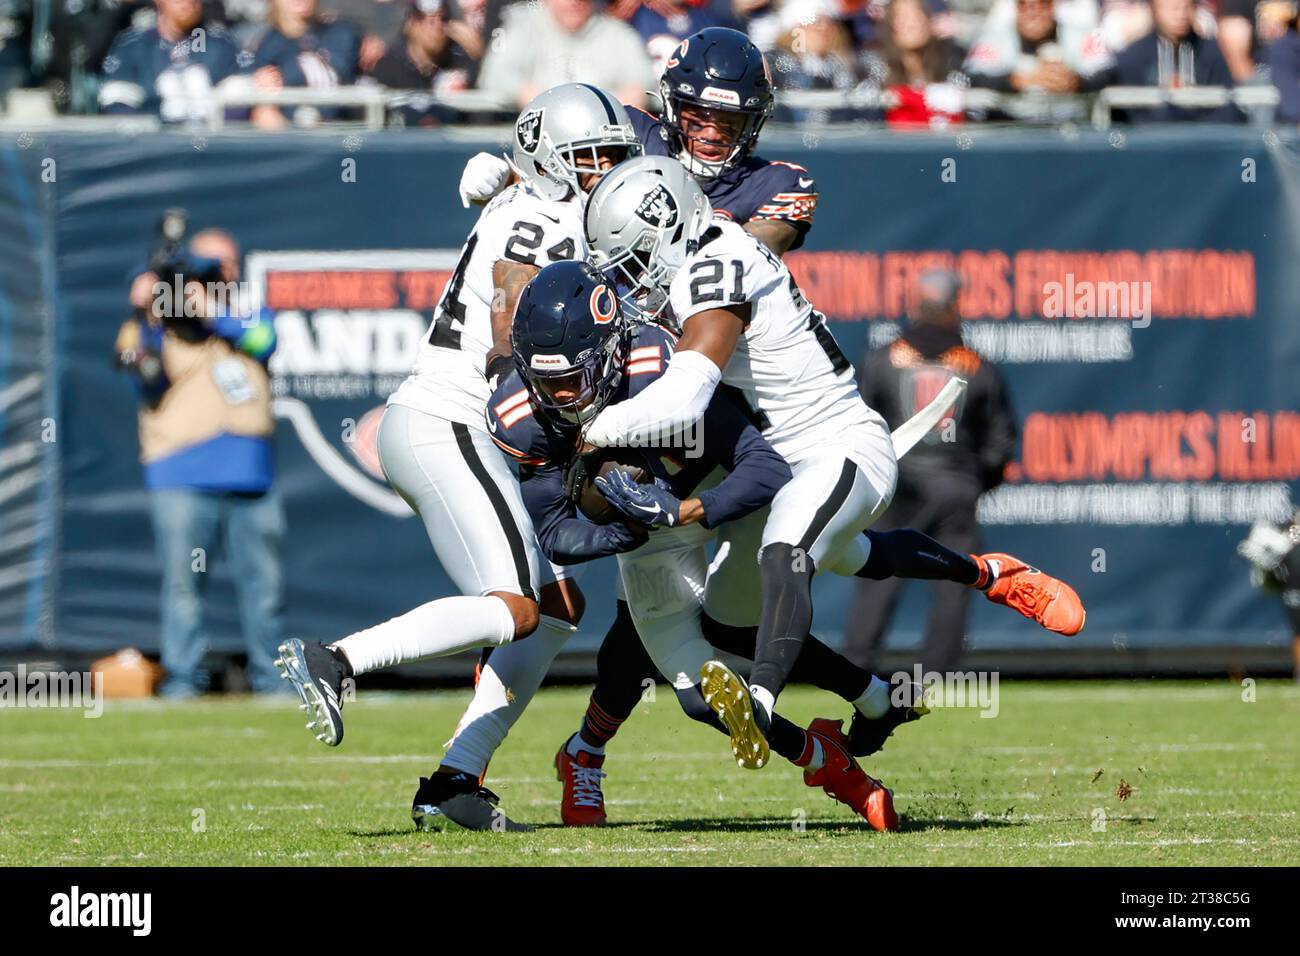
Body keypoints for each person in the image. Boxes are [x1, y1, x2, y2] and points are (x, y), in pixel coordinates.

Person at [580, 155, 1087, 759]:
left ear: (670, 226)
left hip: (839, 447)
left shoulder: (712, 265)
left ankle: (762, 702)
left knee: (786, 550)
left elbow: (688, 393)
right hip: (784, 466)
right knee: (743, 614)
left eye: (637, 257)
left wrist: (591, 427)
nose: (635, 277)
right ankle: (932, 637)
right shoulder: (713, 244)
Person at [274, 84, 644, 832]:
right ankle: (336, 660)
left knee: (556, 607)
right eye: (586, 158)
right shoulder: (541, 220)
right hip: (449, 422)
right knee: (512, 607)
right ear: (546, 163)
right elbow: (520, 327)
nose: (603, 170)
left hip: (451, 426)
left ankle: (455, 781)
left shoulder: (536, 206)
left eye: (611, 154)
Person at [485, 259, 912, 830]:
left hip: (717, 492)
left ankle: (966, 588)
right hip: (653, 540)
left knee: (819, 564)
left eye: (571, 378)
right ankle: (834, 765)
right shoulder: (523, 412)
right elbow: (556, 533)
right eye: (546, 382)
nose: (560, 396)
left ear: (610, 352)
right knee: (700, 690)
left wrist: (686, 508)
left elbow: (763, 468)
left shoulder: (661, 368)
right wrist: (626, 529)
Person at [114, 227, 284, 698]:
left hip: (251, 473)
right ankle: (184, 680)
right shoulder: (156, 320)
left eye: (225, 265)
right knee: (184, 587)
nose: (216, 274)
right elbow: (140, 377)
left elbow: (265, 341)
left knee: (264, 588)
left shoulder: (246, 309)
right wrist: (146, 302)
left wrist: (214, 314)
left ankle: (272, 679)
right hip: (181, 471)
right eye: (205, 265)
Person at [846, 269, 1018, 674]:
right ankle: (938, 672)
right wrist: (975, 481)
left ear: (914, 307)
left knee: (878, 575)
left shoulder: (881, 359)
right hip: (955, 485)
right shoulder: (977, 367)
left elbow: (855, 423)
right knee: (955, 580)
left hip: (894, 486)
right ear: (955, 306)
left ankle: (856, 664)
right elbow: (1001, 442)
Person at [476, 0, 656, 108]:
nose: (575, 2)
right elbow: (495, 76)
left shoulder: (619, 34)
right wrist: (544, 102)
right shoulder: (524, 26)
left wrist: (590, 109)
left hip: (603, 142)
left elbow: (642, 88)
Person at [98, 0, 247, 122]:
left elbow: (242, 98)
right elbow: (117, 101)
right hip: (152, 148)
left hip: (212, 148)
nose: (188, 2)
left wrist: (211, 128)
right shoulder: (133, 45)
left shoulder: (221, 43)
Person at [1101, 0, 1242, 122]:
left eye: (1186, 7)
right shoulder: (1134, 55)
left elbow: (1227, 106)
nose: (1180, 15)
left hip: (1202, 143)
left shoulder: (1212, 52)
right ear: (1154, 9)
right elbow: (1109, 77)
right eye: (1172, 8)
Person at [247, 0, 362, 129]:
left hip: (341, 135)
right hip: (288, 136)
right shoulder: (267, 44)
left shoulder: (341, 34)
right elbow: (261, 112)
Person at [363, 0, 478, 125]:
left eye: (443, 18)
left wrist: (477, 52)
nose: (436, 25)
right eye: (424, 18)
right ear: (410, 24)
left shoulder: (460, 67)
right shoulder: (387, 69)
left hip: (448, 142)